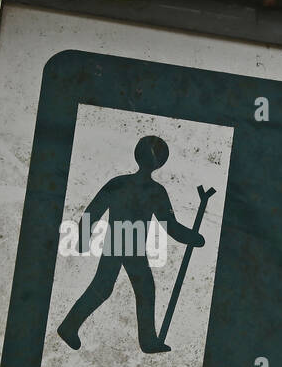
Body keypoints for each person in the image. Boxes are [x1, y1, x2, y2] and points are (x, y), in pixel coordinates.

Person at [57, 135, 205, 354]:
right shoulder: (149, 190)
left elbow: (93, 212)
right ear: (159, 163)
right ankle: (146, 341)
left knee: (106, 287)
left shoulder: (130, 185)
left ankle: (70, 326)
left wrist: (193, 237)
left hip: (122, 244)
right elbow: (171, 227)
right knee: (139, 289)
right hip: (125, 245)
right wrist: (193, 237)